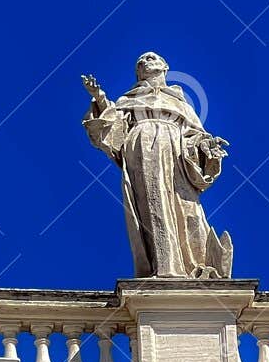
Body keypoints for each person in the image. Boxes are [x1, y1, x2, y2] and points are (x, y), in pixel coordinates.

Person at [82, 52, 233, 279]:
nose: (144, 61)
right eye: (140, 61)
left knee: (187, 208)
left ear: (165, 66)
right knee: (153, 204)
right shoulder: (128, 100)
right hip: (142, 147)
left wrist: (207, 146)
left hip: (177, 151)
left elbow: (194, 135)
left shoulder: (179, 100)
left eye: (151, 58)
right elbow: (112, 128)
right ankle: (165, 267)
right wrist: (100, 97)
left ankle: (195, 267)